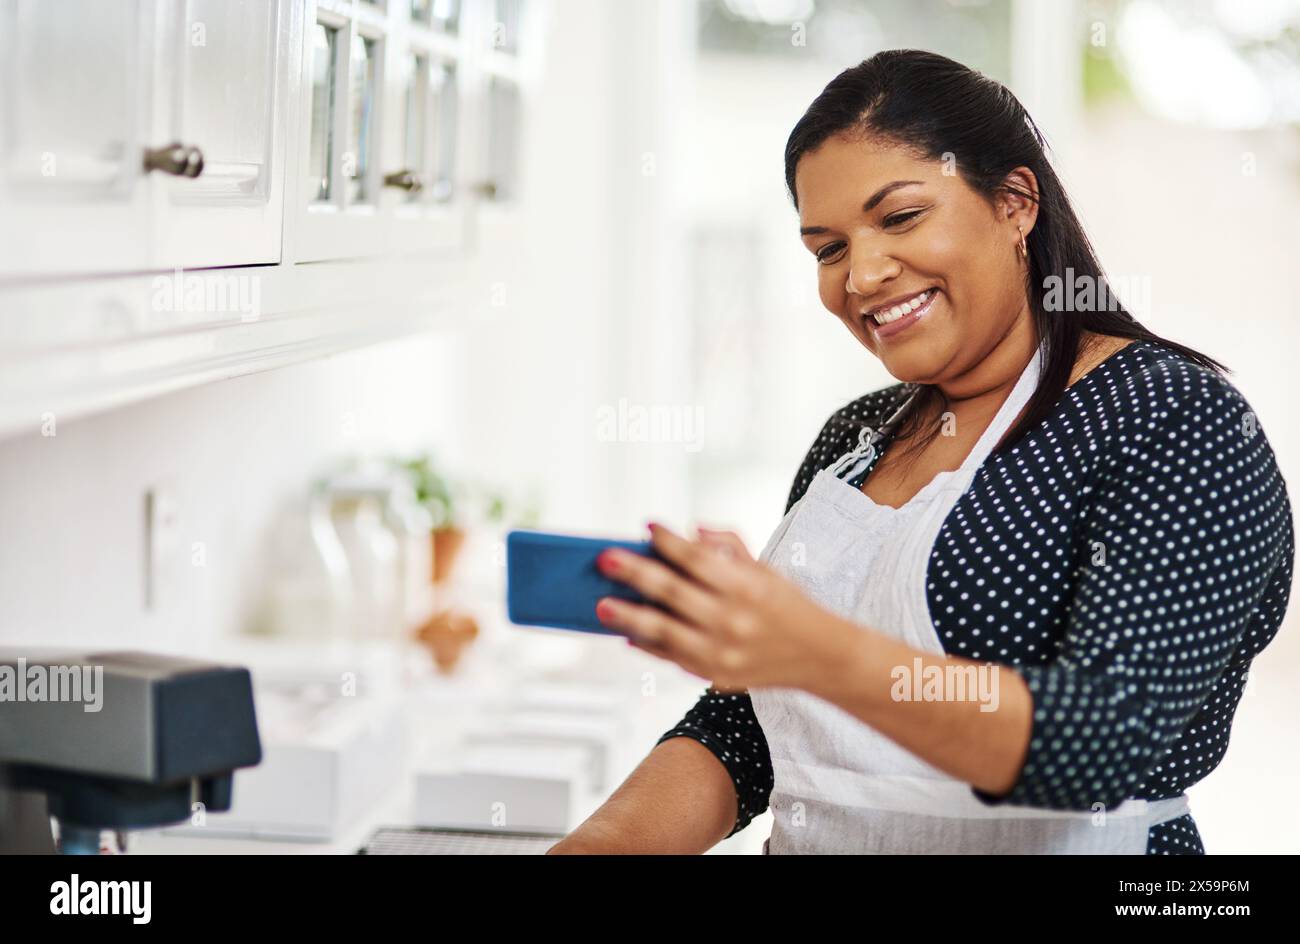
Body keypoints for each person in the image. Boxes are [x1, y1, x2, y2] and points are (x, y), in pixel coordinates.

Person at [547, 49, 1294, 855]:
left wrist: (805, 645)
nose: (861, 275)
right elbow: (752, 727)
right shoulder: (855, 439)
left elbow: (1104, 739)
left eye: (899, 218)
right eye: (828, 249)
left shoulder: (1174, 419)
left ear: (1015, 203)